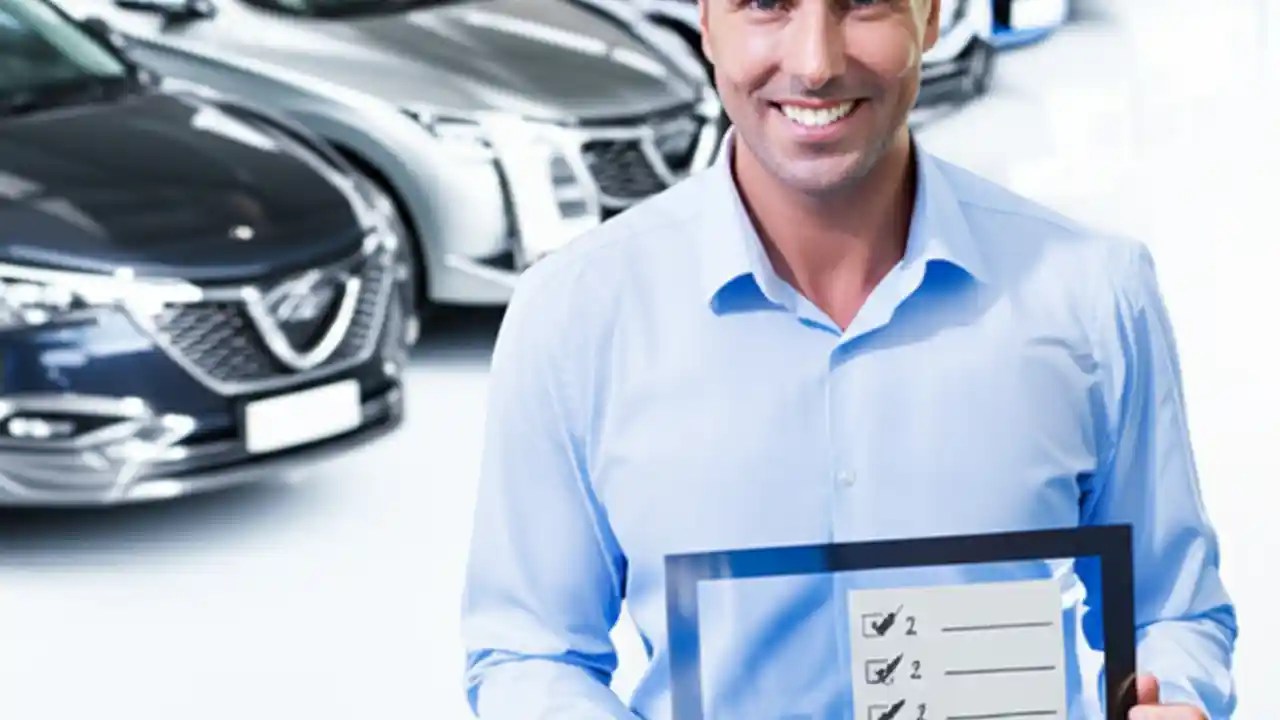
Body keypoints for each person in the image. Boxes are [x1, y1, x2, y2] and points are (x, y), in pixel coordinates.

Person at [460, 0, 1237, 718]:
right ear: (706, 21)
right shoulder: (575, 312)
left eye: (862, 2)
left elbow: (1170, 611)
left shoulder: (1093, 291)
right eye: (766, 4)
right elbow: (531, 654)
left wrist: (1177, 697)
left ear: (930, 17)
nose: (815, 63)